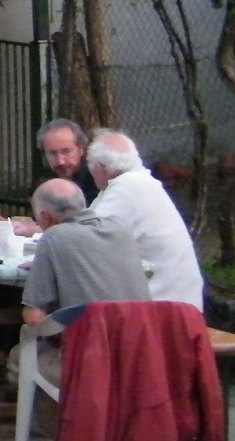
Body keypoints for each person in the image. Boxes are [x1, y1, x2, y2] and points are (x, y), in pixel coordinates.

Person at [9, 178, 152, 386]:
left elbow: (33, 318)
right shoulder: (119, 228)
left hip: (91, 364)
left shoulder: (53, 237)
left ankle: (55, 408)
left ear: (45, 217)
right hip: (141, 357)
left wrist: (45, 266)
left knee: (18, 356)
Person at [87, 130, 205, 309]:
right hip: (178, 300)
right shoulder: (137, 182)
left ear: (100, 167)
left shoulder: (127, 189)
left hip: (166, 308)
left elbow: (84, 241)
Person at [38, 118, 99, 204]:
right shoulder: (45, 183)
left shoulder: (96, 181)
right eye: (52, 154)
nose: (60, 161)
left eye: (67, 152)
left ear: (81, 149)